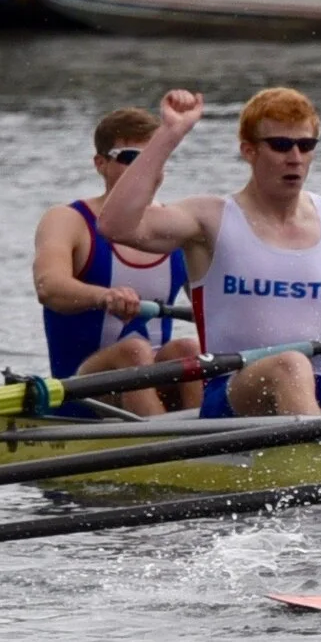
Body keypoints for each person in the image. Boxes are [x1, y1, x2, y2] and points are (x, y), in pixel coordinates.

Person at [96, 86, 321, 417]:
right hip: (232, 393)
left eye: (305, 145)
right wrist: (169, 133)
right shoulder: (210, 219)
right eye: (280, 145)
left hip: (317, 384)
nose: (295, 157)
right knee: (290, 365)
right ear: (248, 150)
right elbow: (115, 226)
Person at [32, 106, 201, 415]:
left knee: (190, 349)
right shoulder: (69, 220)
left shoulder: (178, 226)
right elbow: (49, 287)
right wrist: (104, 296)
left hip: (152, 383)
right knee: (134, 352)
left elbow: (215, 309)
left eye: (153, 158)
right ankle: (168, 439)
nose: (144, 169)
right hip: (80, 392)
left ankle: (208, 433)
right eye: (130, 158)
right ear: (101, 164)